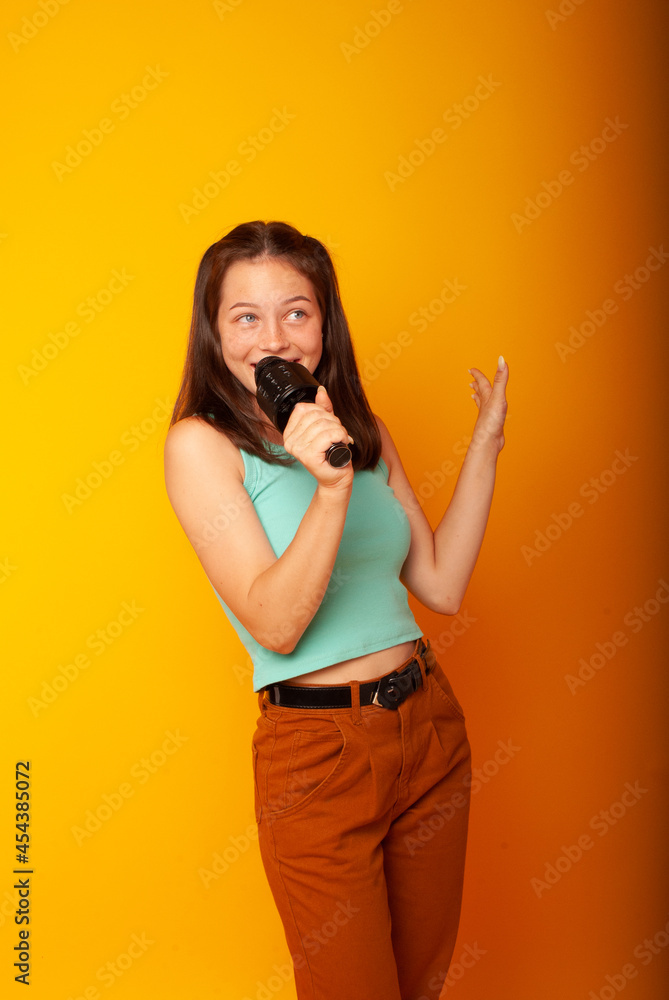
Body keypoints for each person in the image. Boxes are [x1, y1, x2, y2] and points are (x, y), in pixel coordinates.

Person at [163, 220, 509, 1000]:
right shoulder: (201, 447)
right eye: (245, 316)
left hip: (427, 726)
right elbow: (276, 624)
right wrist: (329, 489)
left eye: (296, 311)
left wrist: (485, 446)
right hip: (319, 756)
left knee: (419, 987)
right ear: (214, 332)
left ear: (325, 324)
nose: (273, 337)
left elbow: (440, 585)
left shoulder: (364, 431)